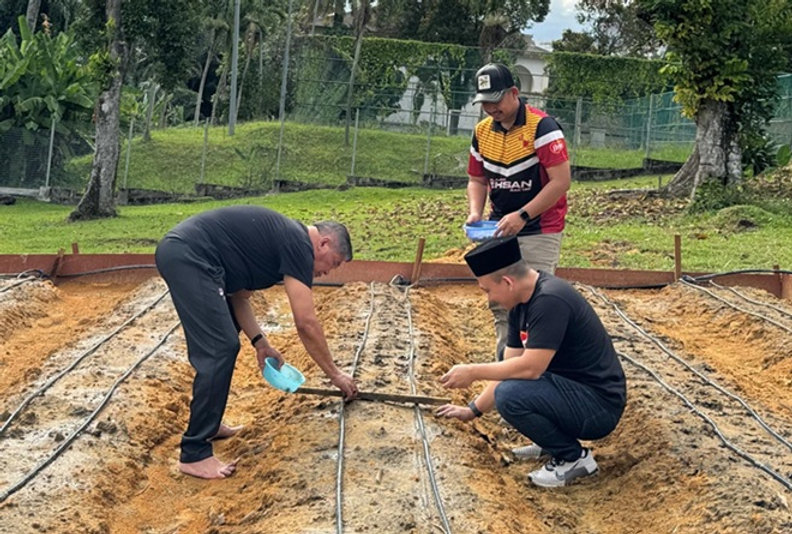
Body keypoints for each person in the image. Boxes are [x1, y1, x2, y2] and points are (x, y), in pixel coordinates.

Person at [155, 205, 359, 480]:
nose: (327, 272)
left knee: (225, 339)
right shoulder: (298, 244)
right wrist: (334, 374)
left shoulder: (282, 241)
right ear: (323, 243)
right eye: (333, 263)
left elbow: (239, 297)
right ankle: (194, 454)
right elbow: (306, 322)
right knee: (220, 348)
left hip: (195, 257)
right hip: (189, 256)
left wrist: (260, 342)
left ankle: (210, 425)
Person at [436, 237, 626, 488]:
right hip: (571, 393)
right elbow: (511, 366)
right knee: (510, 387)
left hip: (598, 407)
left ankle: (573, 458)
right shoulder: (520, 306)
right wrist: (472, 411)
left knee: (511, 395)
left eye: (487, 290)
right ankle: (551, 442)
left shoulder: (550, 300)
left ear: (507, 282)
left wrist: (472, 371)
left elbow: (530, 368)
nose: (488, 299)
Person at [466, 63, 571, 361]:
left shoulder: (543, 128)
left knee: (535, 301)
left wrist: (522, 215)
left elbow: (561, 182)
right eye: (484, 102)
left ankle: (540, 368)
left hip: (540, 227)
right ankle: (507, 364)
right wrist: (476, 211)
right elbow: (477, 179)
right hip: (499, 228)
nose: (490, 108)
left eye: (496, 100)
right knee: (501, 301)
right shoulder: (482, 132)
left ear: (514, 93)